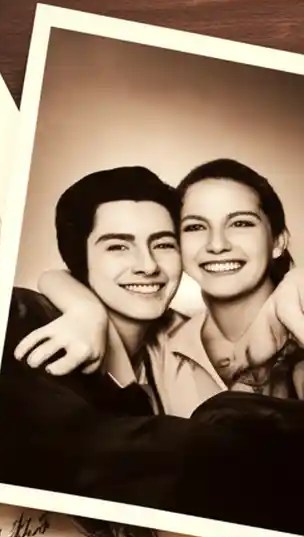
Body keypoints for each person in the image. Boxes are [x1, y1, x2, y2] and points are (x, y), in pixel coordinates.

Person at [0, 166, 304, 533]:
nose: (147, 265)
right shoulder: (32, 325)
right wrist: (79, 305)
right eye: (118, 246)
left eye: (164, 243)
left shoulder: (166, 342)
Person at [21, 159, 304, 417]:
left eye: (240, 223)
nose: (217, 245)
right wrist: (85, 309)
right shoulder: (162, 341)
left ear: (279, 240)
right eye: (195, 227)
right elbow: (60, 276)